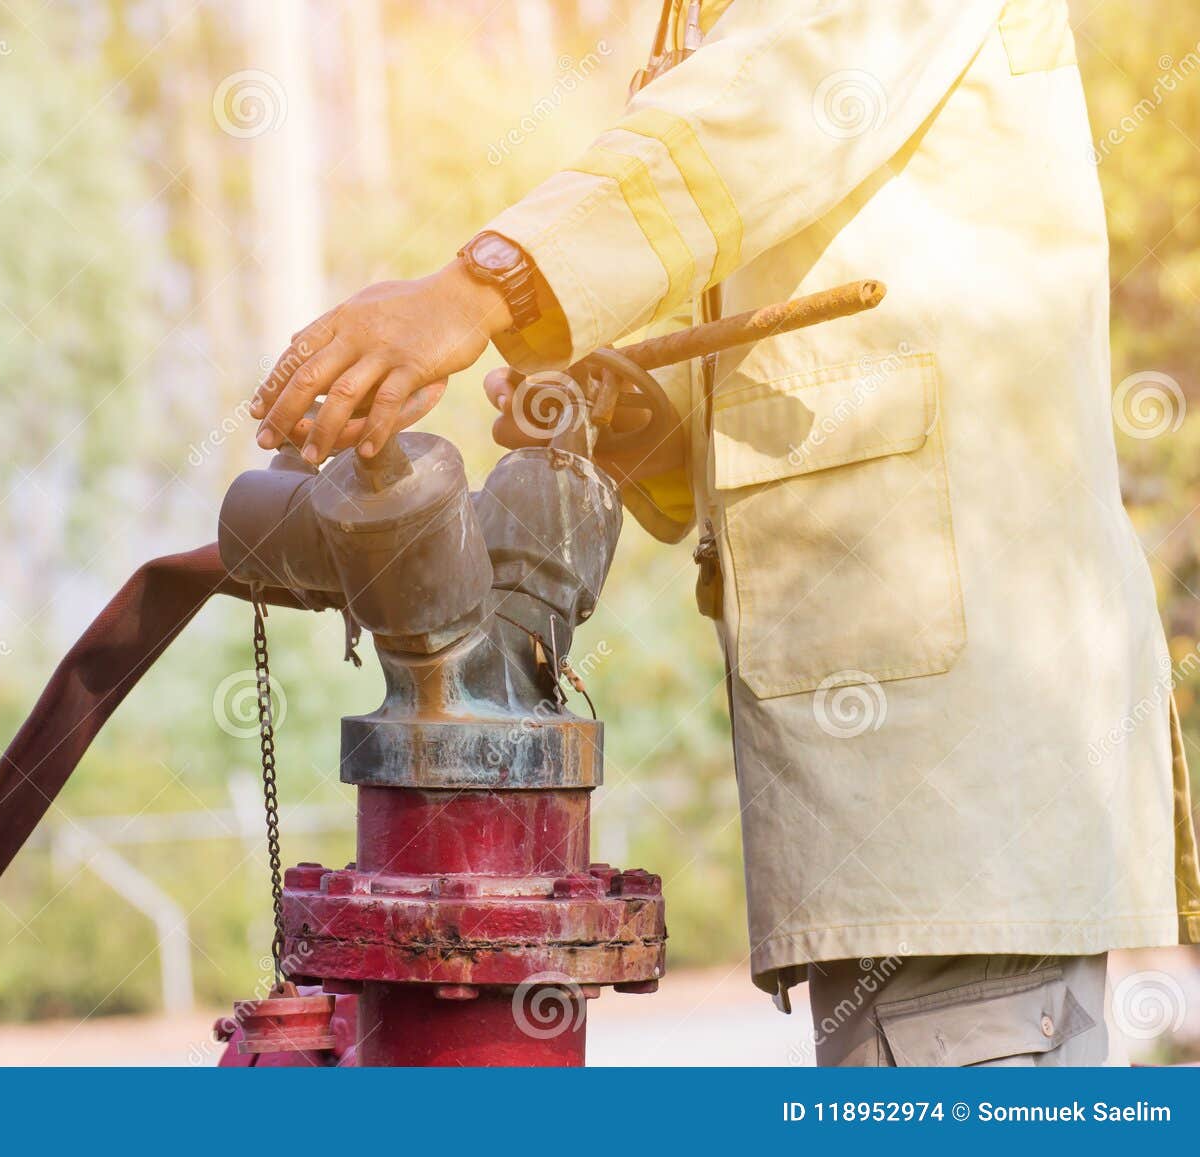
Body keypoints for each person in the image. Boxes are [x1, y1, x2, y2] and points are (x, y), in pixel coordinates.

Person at [247, 0, 1199, 1066]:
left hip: (961, 778)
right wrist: (651, 425)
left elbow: (776, 98)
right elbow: (805, 309)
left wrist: (480, 288)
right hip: (928, 799)